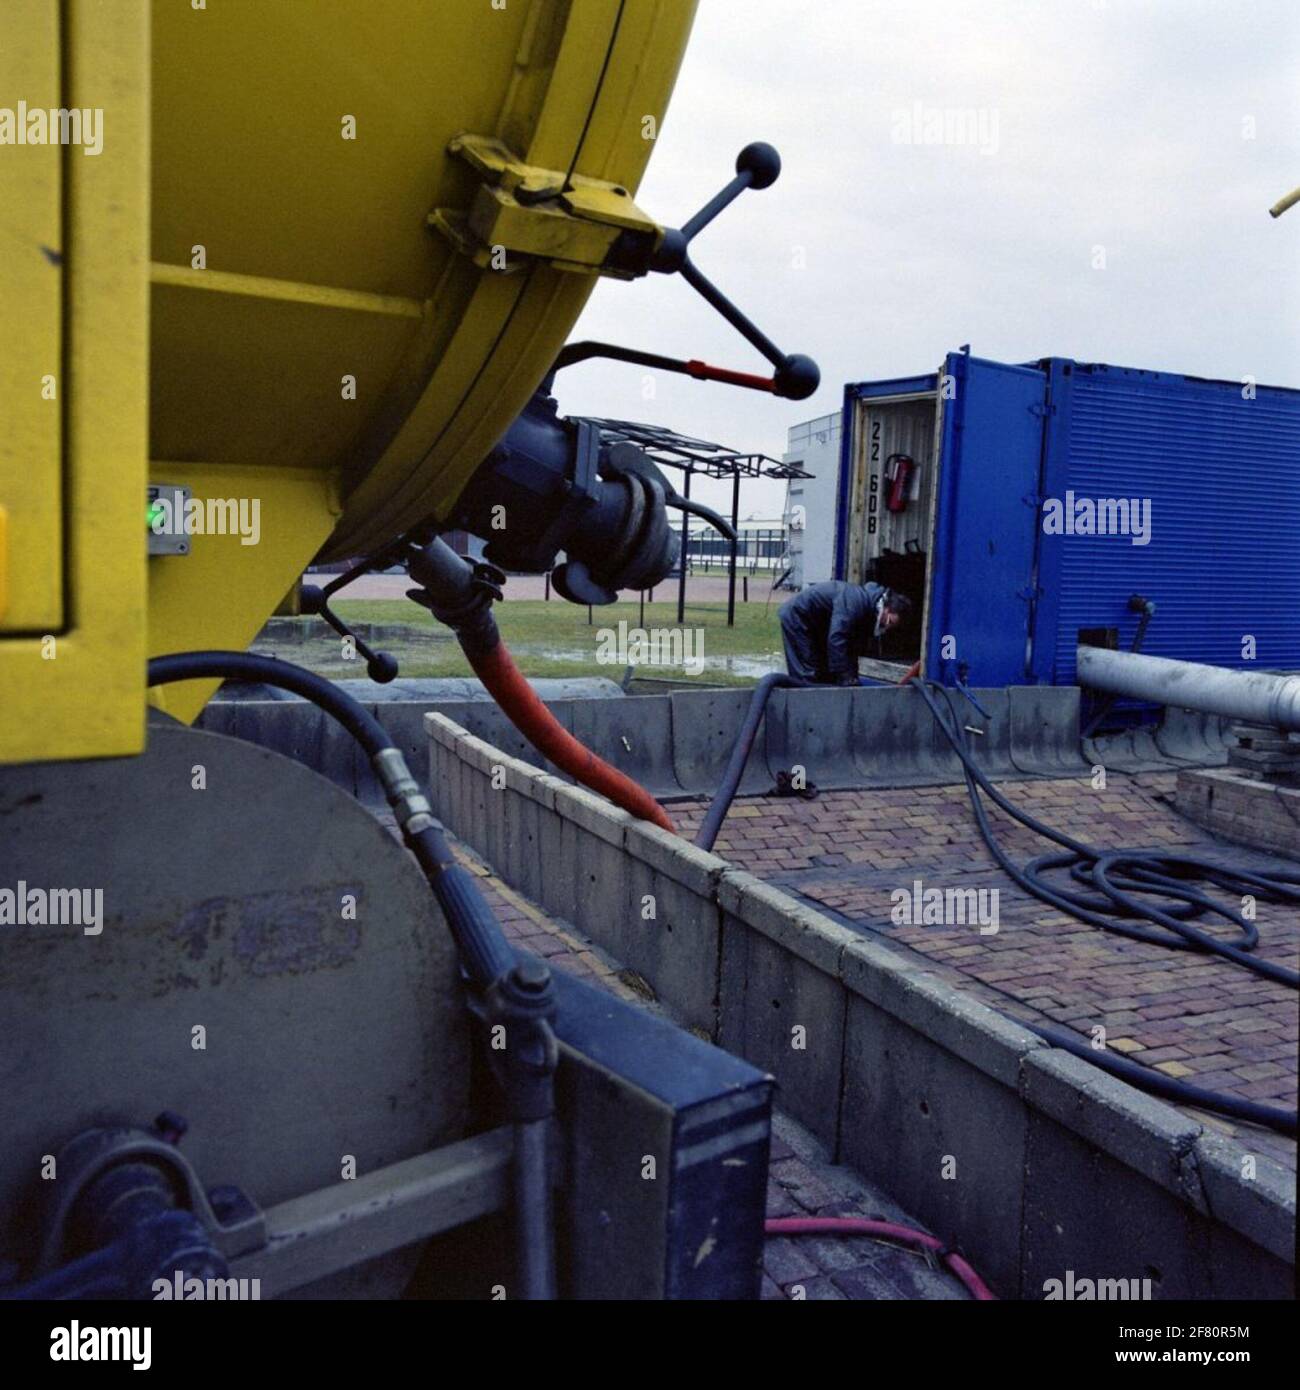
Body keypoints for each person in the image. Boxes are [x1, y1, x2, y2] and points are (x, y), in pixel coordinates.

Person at [778, 581, 912, 685]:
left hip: (814, 625)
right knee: (807, 673)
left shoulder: (867, 611)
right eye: (888, 621)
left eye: (891, 626)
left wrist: (852, 677)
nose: (886, 627)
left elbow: (851, 648)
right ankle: (803, 711)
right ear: (886, 608)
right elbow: (837, 638)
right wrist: (844, 676)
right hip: (797, 617)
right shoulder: (856, 603)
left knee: (821, 671)